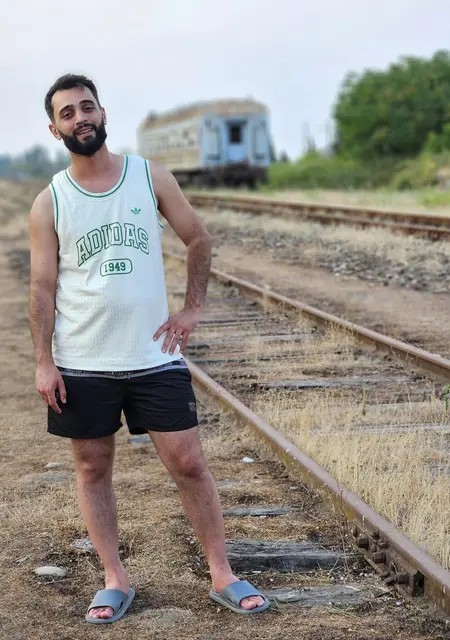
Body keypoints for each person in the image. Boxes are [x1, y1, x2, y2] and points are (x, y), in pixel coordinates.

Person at [28, 74, 269, 624]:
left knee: (189, 462)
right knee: (92, 467)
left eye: (87, 107)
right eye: (68, 113)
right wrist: (44, 361)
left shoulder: (148, 176)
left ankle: (222, 574)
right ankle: (114, 579)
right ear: (55, 129)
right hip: (82, 360)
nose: (80, 118)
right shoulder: (50, 202)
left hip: (154, 356)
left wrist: (192, 309)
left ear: (102, 113)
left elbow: (198, 238)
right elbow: (41, 288)